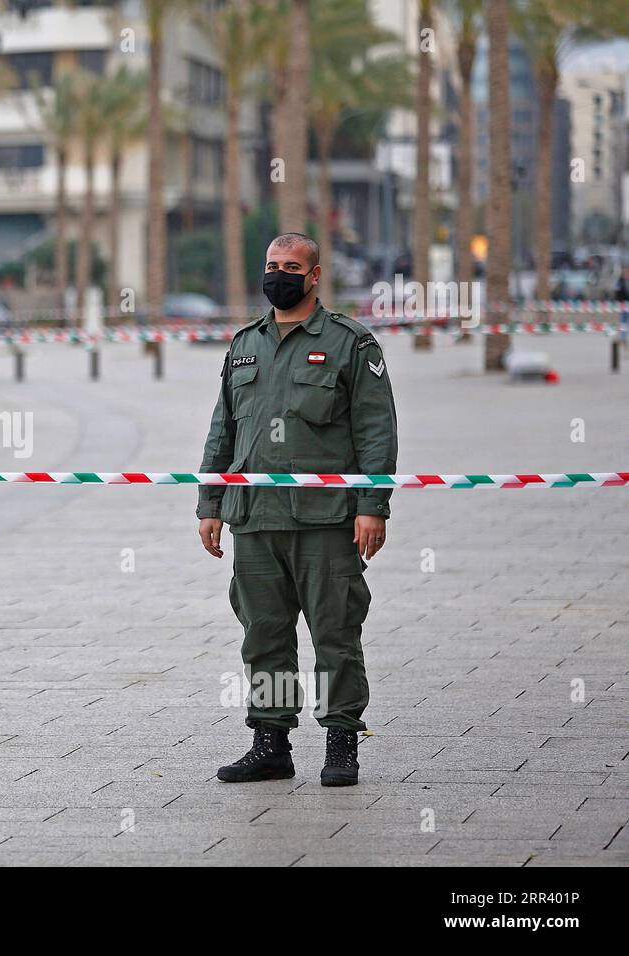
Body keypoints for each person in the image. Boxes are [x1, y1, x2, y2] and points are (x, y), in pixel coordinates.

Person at [197, 233, 398, 786]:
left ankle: (340, 744)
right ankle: (271, 743)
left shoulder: (350, 344)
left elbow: (375, 431)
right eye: (271, 265)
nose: (278, 274)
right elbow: (223, 431)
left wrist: (372, 505)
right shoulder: (244, 344)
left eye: (291, 266)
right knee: (265, 635)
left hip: (326, 520)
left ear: (314, 277)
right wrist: (209, 503)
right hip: (255, 518)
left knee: (335, 631)